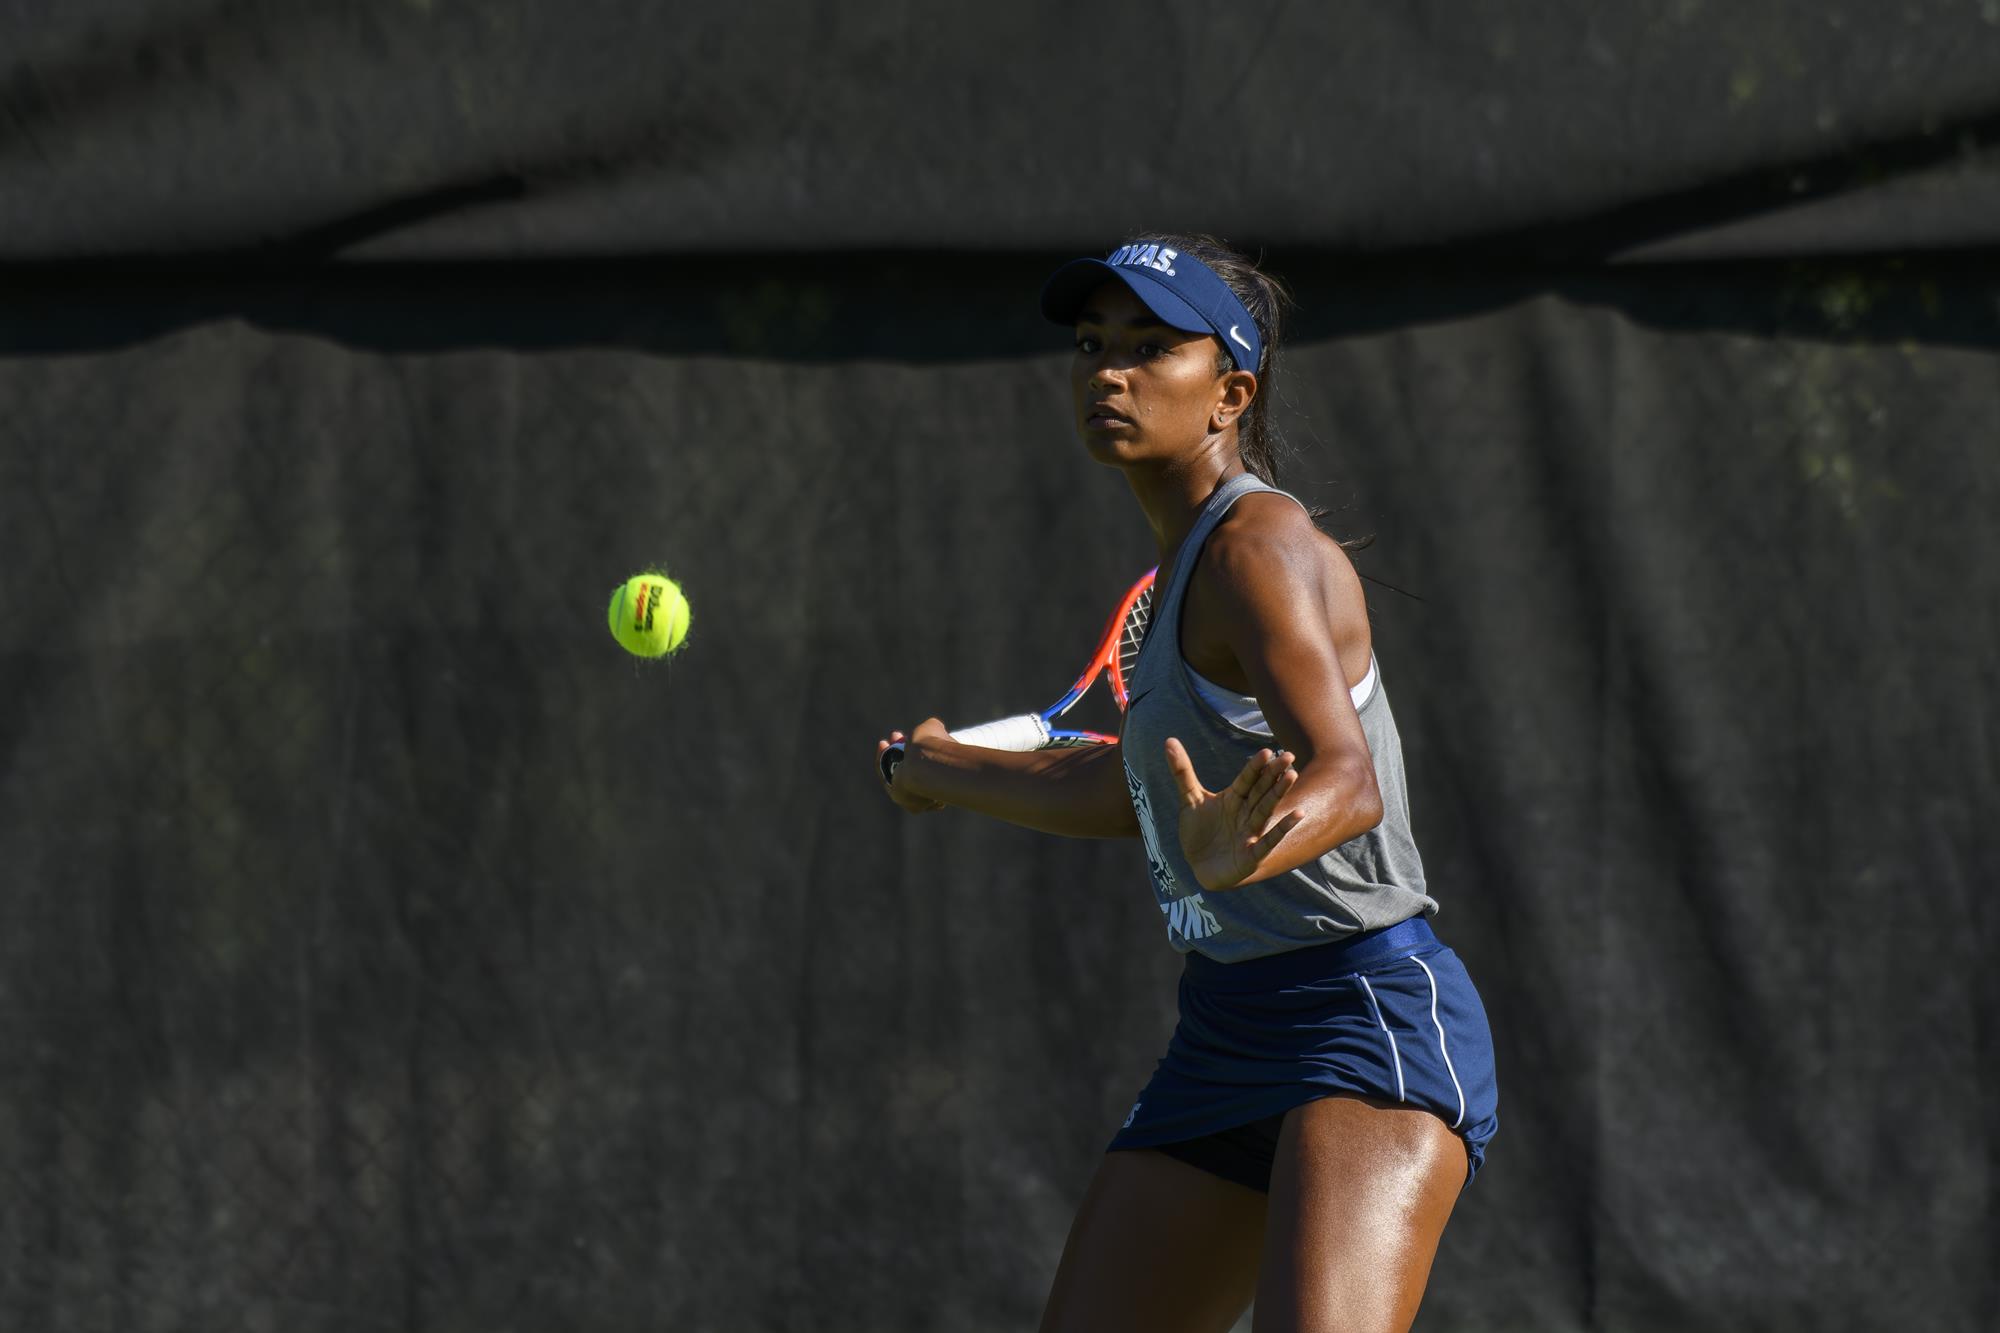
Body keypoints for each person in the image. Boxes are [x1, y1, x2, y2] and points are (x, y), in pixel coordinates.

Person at [875, 234, 1498, 1333]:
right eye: (1090, 344)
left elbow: (1343, 780)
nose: (1107, 371)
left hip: (1361, 1019)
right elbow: (1125, 790)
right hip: (1225, 1031)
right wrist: (936, 767)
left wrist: (1246, 847)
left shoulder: (1258, 547)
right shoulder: (1180, 573)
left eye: (1152, 347)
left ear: (1229, 393)